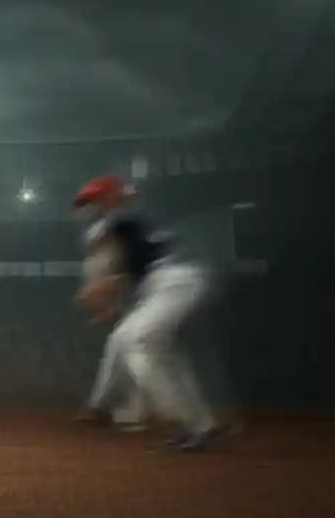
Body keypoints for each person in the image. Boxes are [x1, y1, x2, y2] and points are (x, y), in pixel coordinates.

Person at [71, 174, 232, 451]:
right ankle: (198, 424)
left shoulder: (118, 219)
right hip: (169, 282)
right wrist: (106, 295)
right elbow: (120, 271)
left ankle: (186, 420)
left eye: (91, 201)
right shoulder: (133, 220)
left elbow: (102, 254)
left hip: (174, 280)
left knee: (139, 342)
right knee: (127, 339)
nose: (88, 208)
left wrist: (96, 288)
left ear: (108, 198)